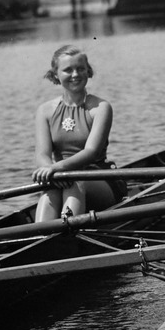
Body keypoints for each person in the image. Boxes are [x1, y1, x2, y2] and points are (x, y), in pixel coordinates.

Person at [32, 44, 125, 222]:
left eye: (80, 69)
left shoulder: (100, 108)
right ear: (55, 74)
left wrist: (56, 169)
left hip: (99, 179)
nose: (75, 74)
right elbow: (42, 154)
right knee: (50, 190)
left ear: (88, 71)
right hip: (60, 177)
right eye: (68, 70)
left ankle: (70, 237)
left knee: (75, 183)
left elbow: (91, 152)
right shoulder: (44, 111)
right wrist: (52, 173)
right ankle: (41, 236)